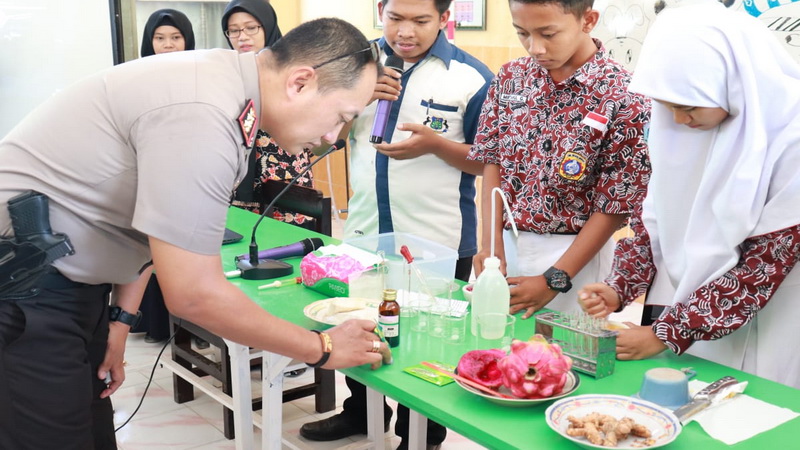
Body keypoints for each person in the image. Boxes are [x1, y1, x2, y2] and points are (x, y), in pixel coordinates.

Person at [0, 18, 389, 450]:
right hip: (23, 292)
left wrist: (121, 319)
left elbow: (143, 222)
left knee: (90, 431)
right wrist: (323, 346)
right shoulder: (205, 112)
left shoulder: (225, 85)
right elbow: (193, 295)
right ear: (301, 82)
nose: (332, 136)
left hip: (66, 287)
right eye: (341, 116)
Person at [299, 1, 493, 449]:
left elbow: (490, 162)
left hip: (437, 240)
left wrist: (436, 146)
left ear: (446, 18)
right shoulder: (353, 65)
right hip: (365, 230)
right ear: (381, 10)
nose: (405, 32)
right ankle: (360, 413)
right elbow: (322, 137)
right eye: (395, 18)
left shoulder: (472, 78)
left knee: (425, 343)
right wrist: (358, 99)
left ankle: (421, 435)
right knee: (361, 323)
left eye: (421, 21)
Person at [578, 1, 800, 389]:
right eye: (666, 106)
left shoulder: (789, 138)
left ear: (729, 82)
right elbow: (655, 218)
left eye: (687, 106)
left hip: (769, 313)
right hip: (684, 313)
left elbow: (762, 266)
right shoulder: (676, 125)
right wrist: (620, 285)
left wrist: (667, 333)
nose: (678, 119)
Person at [467, 0, 650, 320]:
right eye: (522, 33)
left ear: (588, 20)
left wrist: (555, 279)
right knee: (495, 348)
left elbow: (615, 204)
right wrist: (490, 243)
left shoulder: (625, 94)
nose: (535, 47)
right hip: (505, 245)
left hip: (576, 256)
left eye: (548, 33)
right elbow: (492, 160)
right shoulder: (511, 78)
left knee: (560, 359)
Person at [222, 0, 316, 229]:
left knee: (288, 249)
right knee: (242, 249)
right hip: (238, 179)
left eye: (251, 27)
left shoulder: (296, 72)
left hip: (285, 178)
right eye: (234, 30)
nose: (242, 36)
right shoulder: (225, 73)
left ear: (267, 26)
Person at [134, 8, 197, 345]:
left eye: (175, 37)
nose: (168, 45)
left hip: (190, 169)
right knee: (153, 245)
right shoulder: (137, 75)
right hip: (151, 167)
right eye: (160, 38)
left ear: (188, 40)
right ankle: (155, 323)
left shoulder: (201, 74)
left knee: (184, 249)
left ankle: (193, 325)